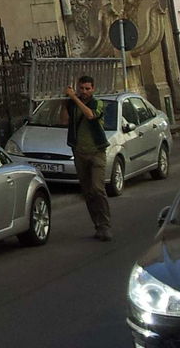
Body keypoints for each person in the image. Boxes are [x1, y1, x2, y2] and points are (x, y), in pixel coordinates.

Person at [65, 74, 112, 240]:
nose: (84, 91)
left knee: (98, 189)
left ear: (93, 89)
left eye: (87, 88)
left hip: (97, 151)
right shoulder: (72, 103)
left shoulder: (97, 103)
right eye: (81, 88)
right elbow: (63, 120)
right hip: (79, 152)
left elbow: (90, 115)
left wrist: (74, 99)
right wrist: (65, 102)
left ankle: (106, 225)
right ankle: (98, 225)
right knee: (88, 192)